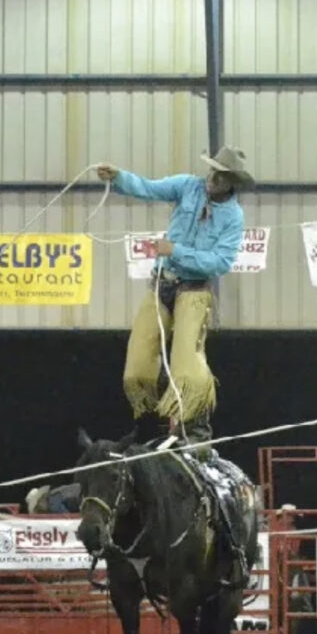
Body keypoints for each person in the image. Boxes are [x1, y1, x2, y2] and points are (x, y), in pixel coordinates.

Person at [97, 147, 254, 448]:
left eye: (221, 176)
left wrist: (176, 251)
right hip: (161, 285)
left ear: (232, 182)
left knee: (188, 369)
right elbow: (149, 188)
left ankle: (195, 431)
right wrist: (119, 177)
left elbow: (220, 262)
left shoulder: (233, 217)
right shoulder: (187, 186)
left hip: (193, 292)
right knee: (137, 367)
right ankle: (157, 421)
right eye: (212, 171)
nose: (212, 179)